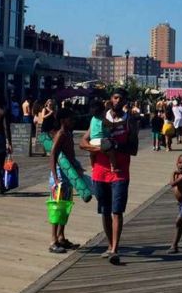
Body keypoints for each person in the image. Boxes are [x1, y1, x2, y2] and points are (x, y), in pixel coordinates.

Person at [80, 88, 137, 265]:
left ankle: (115, 249)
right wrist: (98, 149)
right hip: (99, 172)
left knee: (117, 211)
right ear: (110, 100)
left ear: (126, 101)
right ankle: (110, 244)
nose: (118, 100)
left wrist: (116, 147)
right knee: (104, 211)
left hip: (120, 172)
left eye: (121, 98)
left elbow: (133, 149)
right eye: (115, 97)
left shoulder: (130, 121)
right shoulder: (99, 119)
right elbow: (83, 142)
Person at [49, 109, 81, 254]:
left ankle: (61, 236)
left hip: (68, 175)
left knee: (66, 207)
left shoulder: (68, 133)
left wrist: (78, 168)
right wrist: (55, 177)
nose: (73, 121)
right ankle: (53, 240)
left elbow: (70, 155)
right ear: (63, 120)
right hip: (60, 176)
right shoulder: (60, 134)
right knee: (57, 208)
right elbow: (53, 155)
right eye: (70, 119)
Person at [89, 99, 118, 173]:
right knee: (112, 153)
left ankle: (92, 166)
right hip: (102, 140)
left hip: (92, 141)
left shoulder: (92, 119)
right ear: (102, 111)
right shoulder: (103, 120)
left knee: (92, 155)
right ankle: (113, 167)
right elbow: (109, 128)